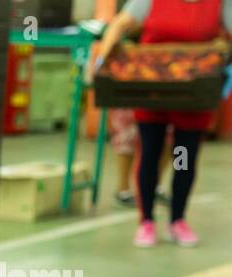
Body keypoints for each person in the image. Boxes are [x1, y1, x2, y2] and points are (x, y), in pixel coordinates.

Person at [94, 0, 232, 247]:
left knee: (183, 157)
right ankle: (146, 220)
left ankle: (177, 220)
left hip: (193, 93)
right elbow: (121, 23)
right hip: (152, 89)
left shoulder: (219, 3)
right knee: (150, 152)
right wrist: (103, 59)